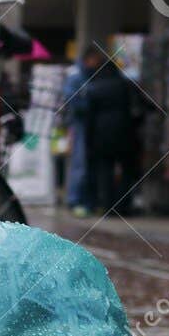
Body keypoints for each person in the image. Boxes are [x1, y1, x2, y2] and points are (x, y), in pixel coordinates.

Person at [83, 47, 144, 216]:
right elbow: (140, 107)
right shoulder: (125, 85)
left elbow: (89, 115)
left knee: (105, 170)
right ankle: (123, 205)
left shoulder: (94, 87)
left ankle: (108, 204)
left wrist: (89, 139)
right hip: (125, 132)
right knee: (126, 170)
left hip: (101, 134)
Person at [62, 44, 102, 215]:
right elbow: (71, 98)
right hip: (80, 123)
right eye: (95, 60)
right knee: (80, 163)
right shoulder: (77, 76)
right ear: (88, 59)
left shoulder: (90, 76)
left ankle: (86, 201)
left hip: (89, 123)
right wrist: (86, 105)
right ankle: (75, 200)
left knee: (89, 163)